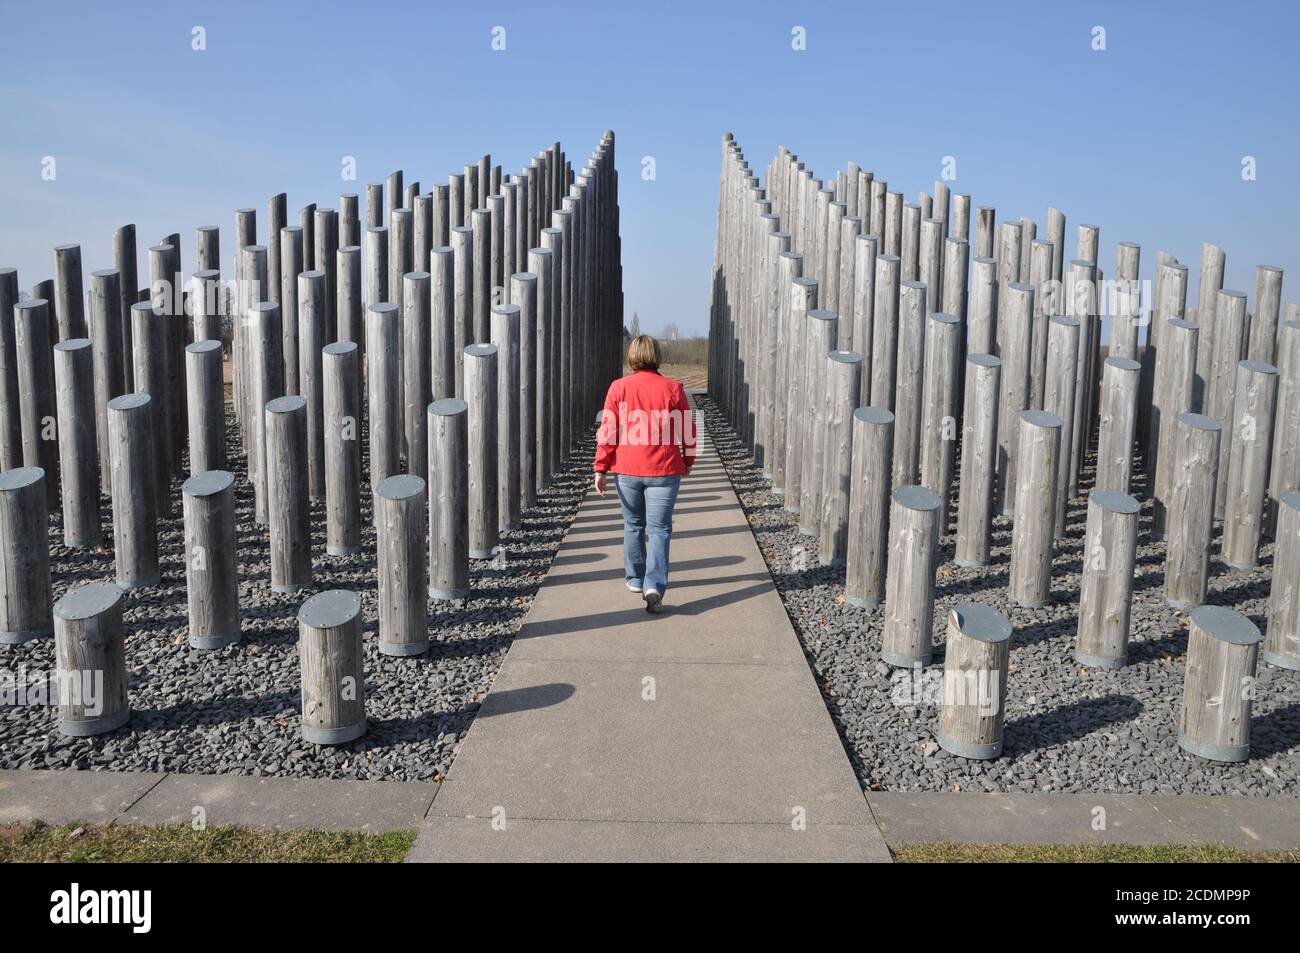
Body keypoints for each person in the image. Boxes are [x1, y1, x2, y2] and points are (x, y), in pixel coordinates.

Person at [593, 335, 697, 613]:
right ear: (657, 356)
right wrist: (688, 460)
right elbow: (688, 429)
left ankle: (636, 579)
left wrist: (600, 467)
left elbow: (608, 430)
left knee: (633, 525)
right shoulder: (673, 389)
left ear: (632, 357)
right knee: (660, 530)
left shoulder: (618, 388)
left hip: (627, 469)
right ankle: (655, 584)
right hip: (664, 470)